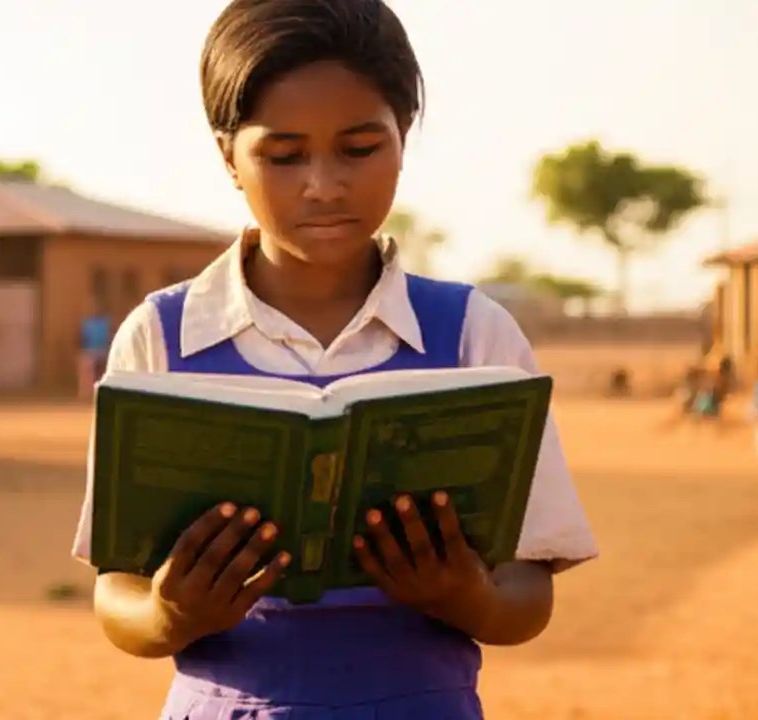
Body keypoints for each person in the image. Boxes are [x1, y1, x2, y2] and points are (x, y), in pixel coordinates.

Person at [70, 2, 598, 717]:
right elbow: (116, 594)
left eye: (359, 148)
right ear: (228, 156)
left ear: (403, 137)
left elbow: (529, 595)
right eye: (283, 156)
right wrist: (171, 613)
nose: (323, 185)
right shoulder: (163, 336)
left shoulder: (476, 333)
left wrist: (463, 596)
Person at [77, 298, 113, 400]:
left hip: (103, 350)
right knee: (86, 364)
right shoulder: (86, 323)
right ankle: (85, 393)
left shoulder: (105, 322)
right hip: (89, 351)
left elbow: (109, 337)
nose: (94, 310)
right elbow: (81, 339)